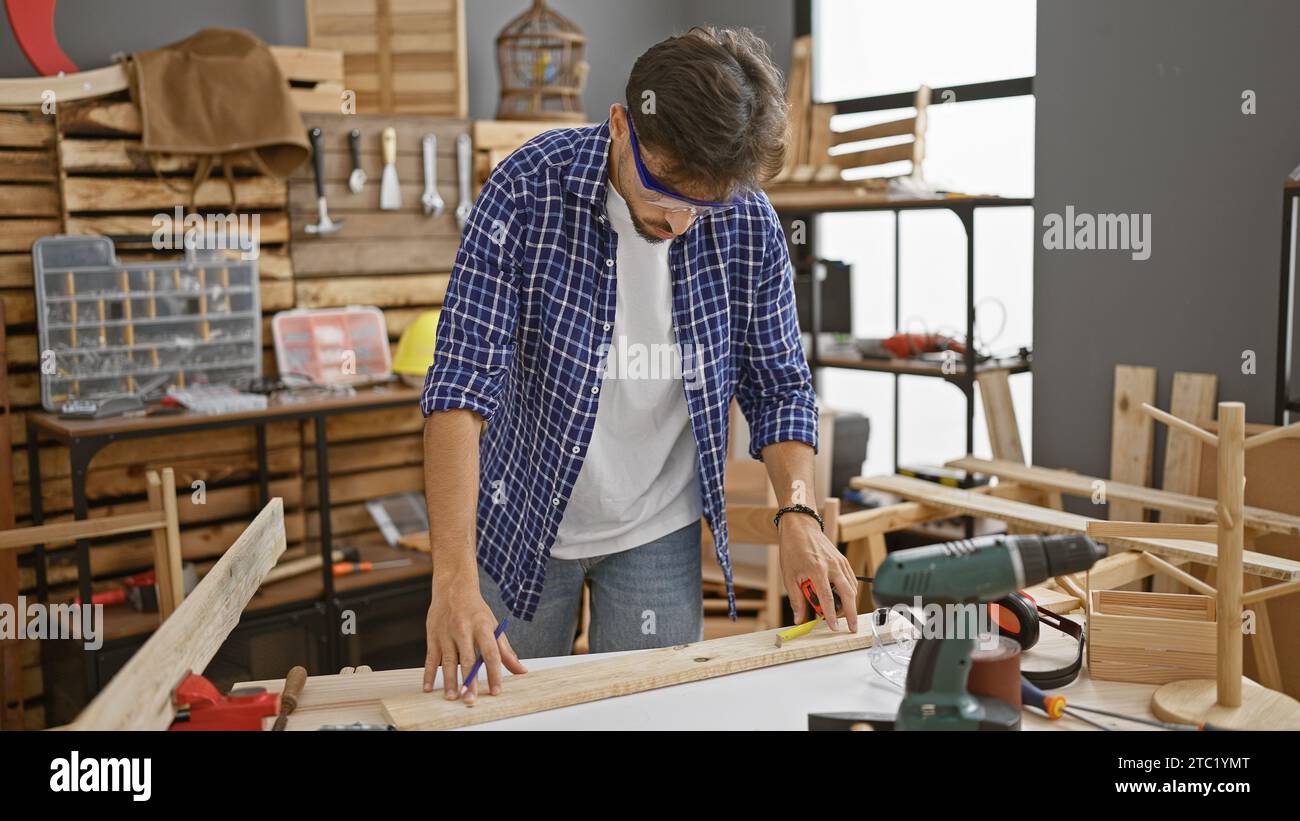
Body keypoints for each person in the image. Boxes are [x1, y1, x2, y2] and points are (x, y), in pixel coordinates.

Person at [420, 26, 859, 703]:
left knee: (652, 711)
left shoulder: (747, 222)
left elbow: (778, 385)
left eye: (702, 202)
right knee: (499, 712)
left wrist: (797, 515)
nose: (679, 220)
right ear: (621, 124)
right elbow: (460, 386)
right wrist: (452, 577)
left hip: (659, 523)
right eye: (664, 188)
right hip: (521, 517)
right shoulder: (525, 190)